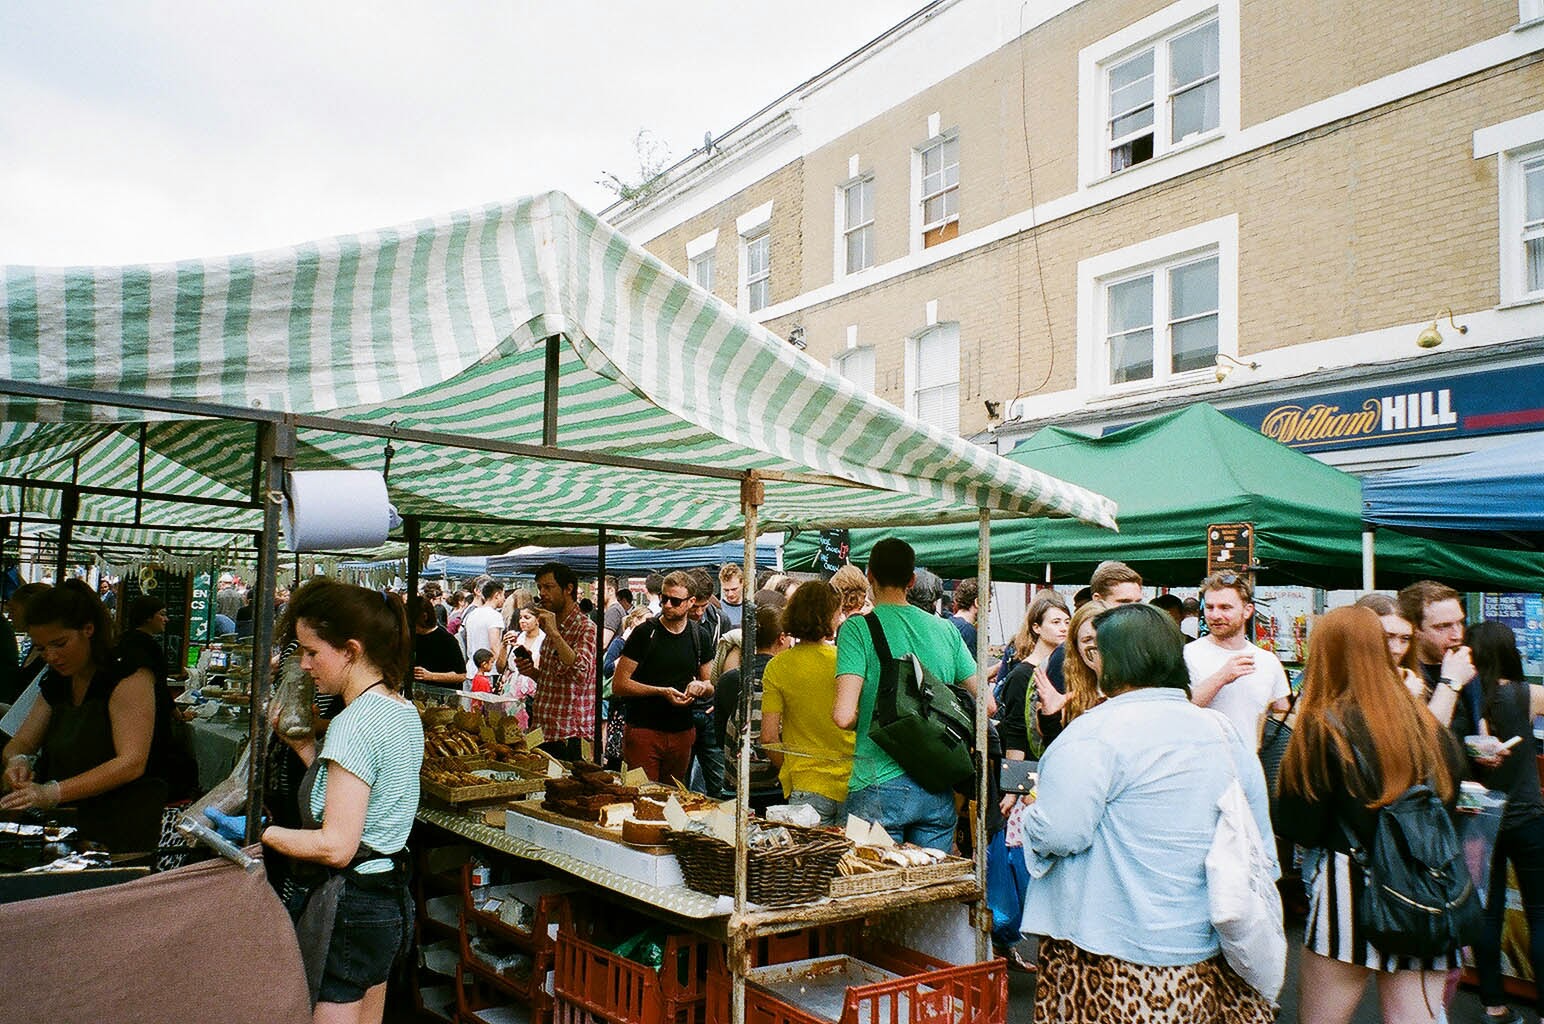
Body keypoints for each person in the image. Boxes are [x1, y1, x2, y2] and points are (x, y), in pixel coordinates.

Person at [1022, 603, 1276, 1023]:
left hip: (1110, 949)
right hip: (1208, 942)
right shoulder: (1220, 730)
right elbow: (1258, 832)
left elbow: (1061, 832)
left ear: (1116, 660)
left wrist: (1031, 818)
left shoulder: (1093, 733)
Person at [1275, 605, 1466, 1023]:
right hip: (1425, 890)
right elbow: (1446, 799)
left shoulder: (1323, 722)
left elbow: (1297, 824)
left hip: (1350, 888)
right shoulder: (1424, 718)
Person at [258, 579, 423, 1024]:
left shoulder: (353, 722)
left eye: (312, 652)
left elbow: (337, 845)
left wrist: (262, 835)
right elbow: (360, 792)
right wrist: (302, 747)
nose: (305, 665)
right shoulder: (400, 709)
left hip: (351, 905)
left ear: (350, 650)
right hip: (389, 898)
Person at [1, 580, 166, 856]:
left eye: (60, 644)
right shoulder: (58, 680)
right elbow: (21, 742)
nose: (51, 656)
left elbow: (131, 763)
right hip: (73, 827)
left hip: (125, 828)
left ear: (88, 629)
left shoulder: (128, 673)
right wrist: (16, 761)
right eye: (41, 649)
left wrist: (51, 793)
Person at [834, 538, 977, 850]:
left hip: (876, 781)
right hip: (935, 781)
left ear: (869, 574)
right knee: (930, 887)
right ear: (912, 580)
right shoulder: (947, 630)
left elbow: (843, 717)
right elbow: (987, 703)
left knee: (873, 888)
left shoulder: (856, 630)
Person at [1451, 621, 1544, 1024]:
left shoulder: (1463, 700)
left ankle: (1493, 1003)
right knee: (1541, 914)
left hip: (1479, 815)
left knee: (1486, 913)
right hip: (1527, 815)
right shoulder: (1530, 694)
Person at [762, 581, 853, 825]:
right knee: (851, 861)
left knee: (807, 861)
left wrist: (792, 765)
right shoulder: (846, 661)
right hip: (852, 781)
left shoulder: (777, 667)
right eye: (838, 612)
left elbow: (769, 737)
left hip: (805, 783)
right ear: (828, 617)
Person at [610, 571, 711, 783]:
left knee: (673, 798)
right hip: (644, 729)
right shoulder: (645, 633)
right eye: (664, 598)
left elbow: (710, 683)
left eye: (675, 601)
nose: (667, 605)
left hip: (682, 731)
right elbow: (619, 684)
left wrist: (699, 686)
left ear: (691, 602)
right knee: (642, 796)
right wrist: (660, 691)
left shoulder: (699, 635)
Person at [1185, 571, 1290, 745]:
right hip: (1203, 766)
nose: (1215, 615)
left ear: (1247, 611)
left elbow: (1282, 714)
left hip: (1253, 766)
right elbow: (1179, 712)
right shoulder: (1188, 654)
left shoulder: (1267, 661)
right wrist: (1221, 677)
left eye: (1225, 607)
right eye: (1210, 607)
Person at [514, 562, 597, 763]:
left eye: (548, 587)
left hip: (569, 734)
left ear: (568, 589)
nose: (542, 593)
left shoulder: (585, 628)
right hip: (543, 729)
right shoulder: (552, 625)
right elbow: (552, 678)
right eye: (540, 587)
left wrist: (554, 633)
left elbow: (581, 673)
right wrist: (532, 672)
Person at [118, 595, 197, 800]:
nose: (166, 619)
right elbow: (160, 688)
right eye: (161, 614)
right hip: (151, 721)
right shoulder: (147, 646)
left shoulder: (125, 640)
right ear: (146, 618)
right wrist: (177, 714)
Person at [717, 604, 787, 811]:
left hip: (737, 786)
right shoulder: (783, 678)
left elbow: (721, 734)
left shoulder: (729, 679)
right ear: (781, 638)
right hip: (776, 786)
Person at [995, 590, 1069, 758]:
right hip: (1030, 767)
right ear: (1036, 627)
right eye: (1056, 622)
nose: (1064, 628)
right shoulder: (1021, 675)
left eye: (1067, 622)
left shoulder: (1066, 670)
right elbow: (1016, 734)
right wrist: (1014, 778)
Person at [1398, 580, 1468, 691]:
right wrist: (1451, 682)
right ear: (1415, 629)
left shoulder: (1467, 668)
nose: (1458, 635)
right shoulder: (1405, 679)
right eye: (1443, 626)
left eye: (1460, 623)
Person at [409, 596, 467, 688]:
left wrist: (430, 676)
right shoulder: (410, 637)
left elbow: (461, 675)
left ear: (424, 616)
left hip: (441, 695)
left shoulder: (446, 640)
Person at [460, 580, 507, 678]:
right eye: (503, 595)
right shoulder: (495, 616)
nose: (504, 599)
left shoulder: (472, 614)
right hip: (488, 672)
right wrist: (502, 667)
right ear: (497, 595)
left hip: (471, 670)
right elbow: (494, 646)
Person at [948, 579, 980, 654]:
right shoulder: (968, 631)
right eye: (988, 604)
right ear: (977, 602)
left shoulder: (948, 622)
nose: (989, 609)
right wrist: (1000, 665)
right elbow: (971, 666)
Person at [718, 564, 745, 631]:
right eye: (726, 590)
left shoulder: (751, 607)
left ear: (742, 584)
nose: (730, 594)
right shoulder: (717, 609)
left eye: (734, 589)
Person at [601, 577, 624, 650]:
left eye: (598, 589)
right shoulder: (616, 608)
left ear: (611, 591)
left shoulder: (613, 611)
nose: (596, 593)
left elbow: (603, 643)